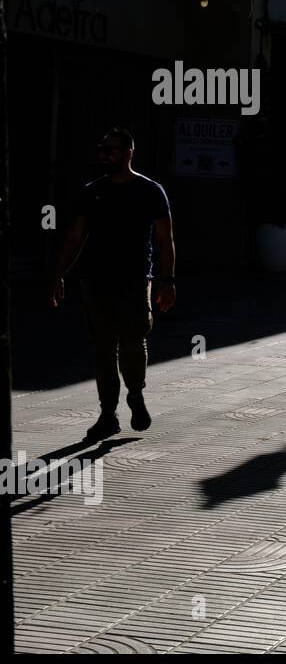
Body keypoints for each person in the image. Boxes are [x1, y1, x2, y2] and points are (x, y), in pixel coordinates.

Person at [49, 128, 176, 442]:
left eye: (111, 151)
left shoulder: (150, 191)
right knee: (103, 350)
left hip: (135, 280)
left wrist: (167, 281)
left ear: (129, 152)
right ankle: (108, 414)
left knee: (133, 342)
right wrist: (57, 274)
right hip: (95, 281)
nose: (104, 156)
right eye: (101, 150)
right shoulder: (92, 191)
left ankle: (135, 394)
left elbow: (164, 240)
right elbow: (76, 236)